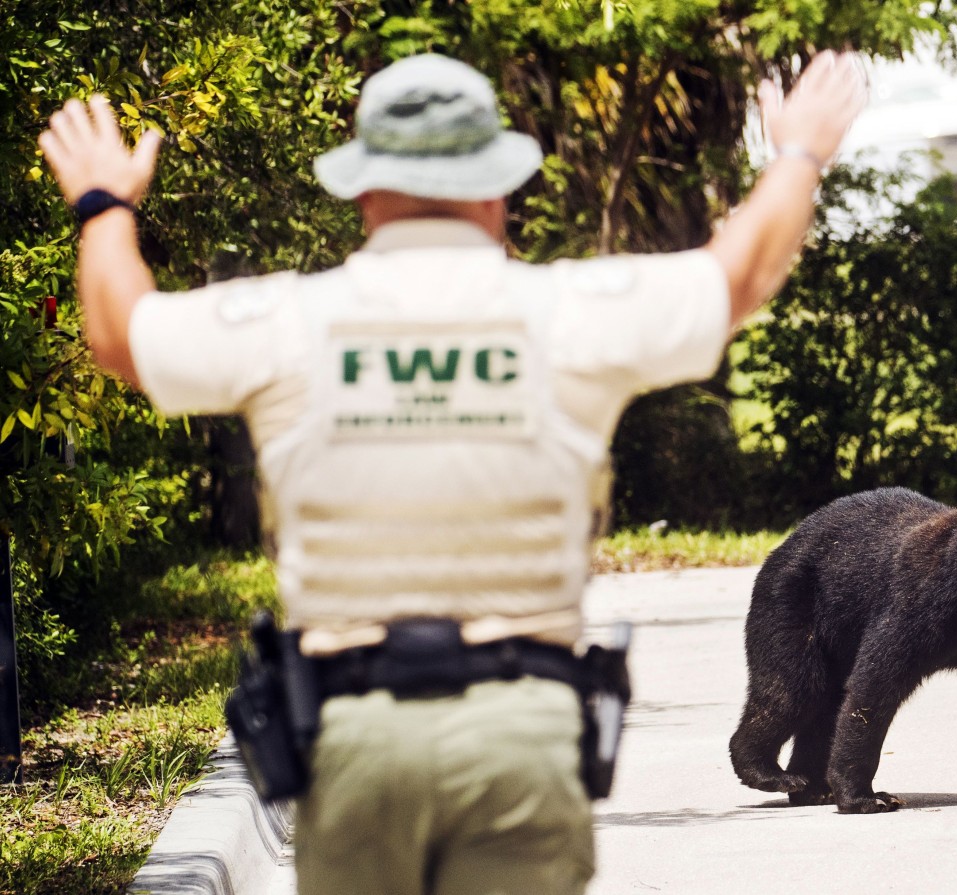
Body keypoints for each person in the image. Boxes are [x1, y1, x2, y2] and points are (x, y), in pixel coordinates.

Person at [38, 49, 866, 895]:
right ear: (497, 189)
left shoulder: (287, 321)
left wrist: (103, 204)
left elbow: (119, 334)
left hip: (353, 737)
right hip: (522, 734)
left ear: (362, 192)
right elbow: (738, 278)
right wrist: (800, 152)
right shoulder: (570, 314)